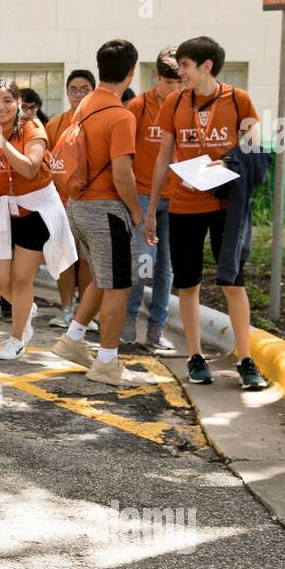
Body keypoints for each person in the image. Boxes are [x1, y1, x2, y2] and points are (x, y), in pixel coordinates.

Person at [143, 35, 268, 391]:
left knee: (233, 282)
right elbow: (163, 158)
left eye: (184, 65)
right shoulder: (175, 102)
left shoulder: (238, 99)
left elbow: (253, 145)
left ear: (206, 66)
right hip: (184, 203)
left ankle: (245, 359)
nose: (179, 72)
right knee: (188, 283)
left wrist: (227, 159)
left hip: (227, 206)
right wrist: (152, 209)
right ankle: (195, 356)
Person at [50, 40, 147, 386]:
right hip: (107, 209)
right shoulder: (121, 115)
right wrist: (137, 212)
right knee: (118, 285)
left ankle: (73, 340)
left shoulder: (86, 104)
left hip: (77, 205)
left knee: (102, 280)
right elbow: (123, 174)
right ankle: (107, 363)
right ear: (132, 70)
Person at [0, 78, 76, 360]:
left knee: (22, 280)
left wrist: (5, 146)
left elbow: (31, 169)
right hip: (4, 210)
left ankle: (17, 338)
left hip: (36, 211)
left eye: (8, 101)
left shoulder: (33, 128)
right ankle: (27, 309)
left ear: (19, 102)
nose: (2, 107)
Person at [122, 46, 181, 351]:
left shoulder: (188, 106)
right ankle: (129, 320)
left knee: (167, 268)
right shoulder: (137, 107)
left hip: (178, 197)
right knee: (143, 261)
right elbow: (125, 156)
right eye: (169, 82)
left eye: (179, 82)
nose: (174, 88)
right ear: (157, 77)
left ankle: (156, 330)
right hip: (145, 196)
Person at [46, 69, 97, 328]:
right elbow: (47, 162)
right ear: (67, 93)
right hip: (61, 202)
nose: (78, 94)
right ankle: (66, 308)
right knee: (64, 256)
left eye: (84, 89)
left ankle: (83, 313)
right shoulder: (56, 124)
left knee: (88, 259)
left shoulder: (98, 120)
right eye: (73, 89)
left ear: (93, 92)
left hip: (92, 202)